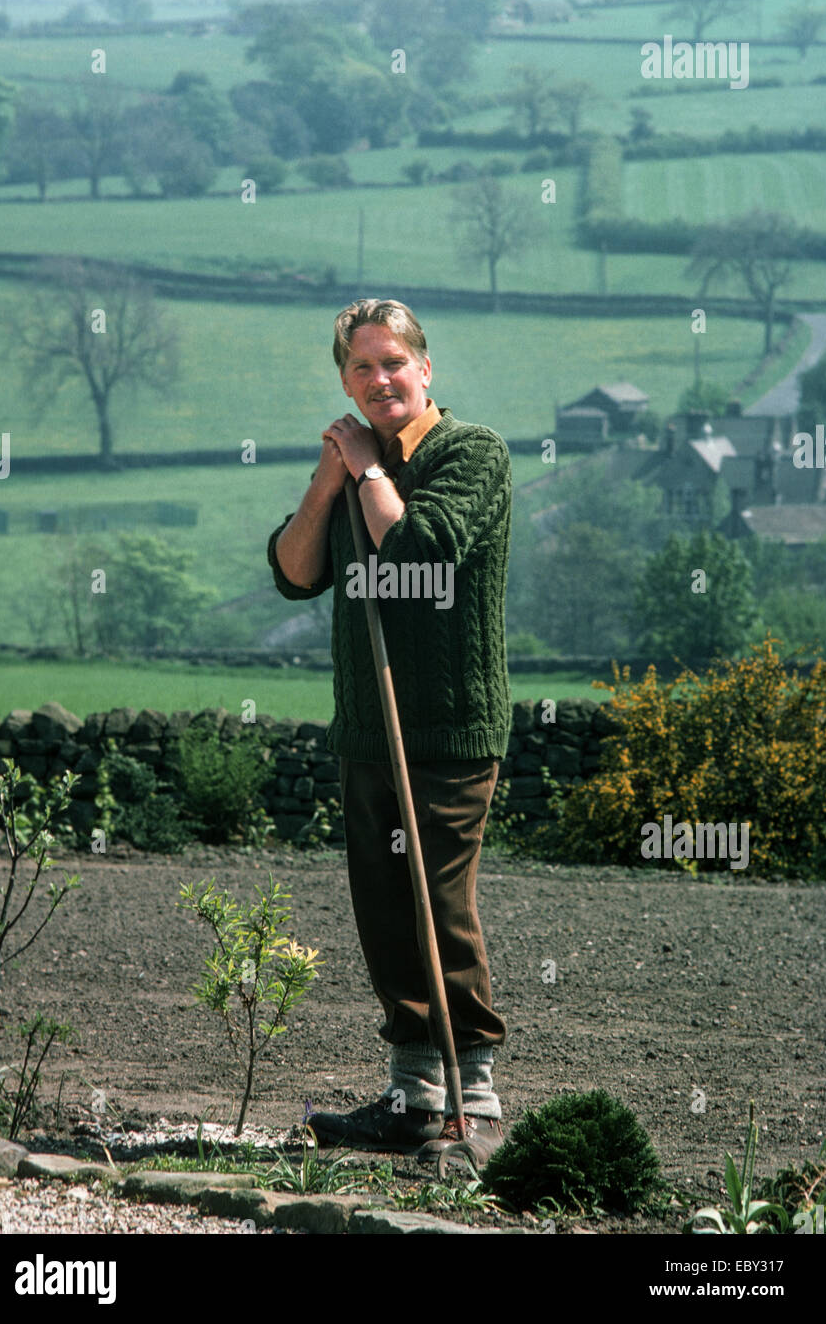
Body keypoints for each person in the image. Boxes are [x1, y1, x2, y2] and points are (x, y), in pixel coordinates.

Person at [266, 298, 512, 1169]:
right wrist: (330, 480)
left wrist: (371, 472)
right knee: (381, 911)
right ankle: (415, 1097)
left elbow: (418, 553)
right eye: (361, 369)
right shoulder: (350, 470)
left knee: (436, 905)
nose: (379, 380)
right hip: (368, 731)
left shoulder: (471, 453)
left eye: (392, 363)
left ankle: (474, 1103)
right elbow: (296, 575)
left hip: (446, 730)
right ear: (344, 380)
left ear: (425, 367)